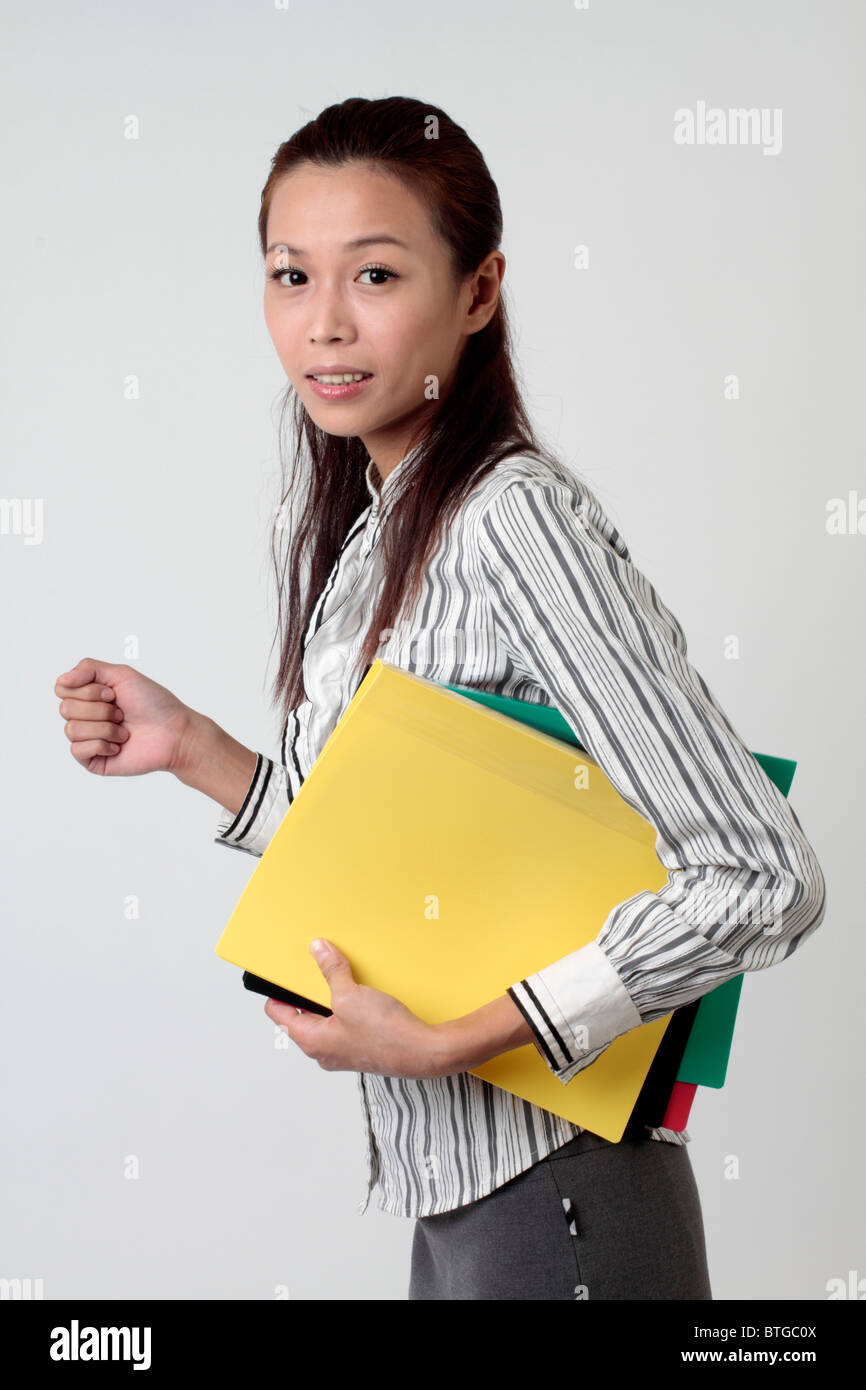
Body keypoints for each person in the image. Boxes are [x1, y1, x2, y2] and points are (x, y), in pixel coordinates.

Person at [54, 96, 826, 1301]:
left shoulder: (509, 520)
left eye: (372, 273)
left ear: (477, 292)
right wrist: (196, 749)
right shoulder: (376, 531)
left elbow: (761, 875)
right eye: (288, 275)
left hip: (562, 1189)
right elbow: (394, 845)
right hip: (465, 1193)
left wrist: (456, 1037)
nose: (323, 324)